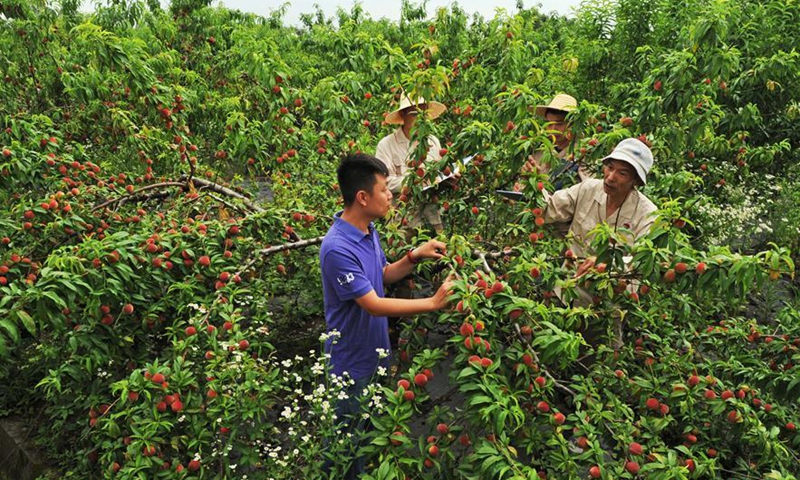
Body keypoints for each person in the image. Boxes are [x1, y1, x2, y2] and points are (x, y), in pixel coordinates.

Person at [319, 153, 453, 478]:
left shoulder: (369, 230)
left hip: (376, 355)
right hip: (350, 366)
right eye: (384, 189)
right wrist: (433, 302)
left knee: (367, 440)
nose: (391, 195)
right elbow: (373, 303)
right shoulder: (337, 248)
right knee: (345, 452)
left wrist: (414, 256)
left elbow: (381, 275)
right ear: (362, 197)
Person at [542, 138, 658, 345]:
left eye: (622, 173)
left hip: (604, 310)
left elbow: (645, 261)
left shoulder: (647, 215)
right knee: (547, 349)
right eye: (610, 168)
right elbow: (550, 208)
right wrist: (533, 186)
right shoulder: (588, 189)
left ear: (635, 181)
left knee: (598, 360)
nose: (611, 177)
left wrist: (608, 264)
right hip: (565, 294)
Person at [375, 94, 448, 235]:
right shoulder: (387, 145)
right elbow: (383, 183)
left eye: (424, 113)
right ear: (403, 114)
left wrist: (447, 178)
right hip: (402, 222)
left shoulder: (432, 141)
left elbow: (438, 174)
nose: (420, 118)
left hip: (433, 217)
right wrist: (412, 182)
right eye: (415, 113)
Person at [522, 93, 591, 186]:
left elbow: (587, 188)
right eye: (549, 124)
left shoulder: (582, 153)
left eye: (559, 124)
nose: (553, 129)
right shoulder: (540, 152)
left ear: (572, 124)